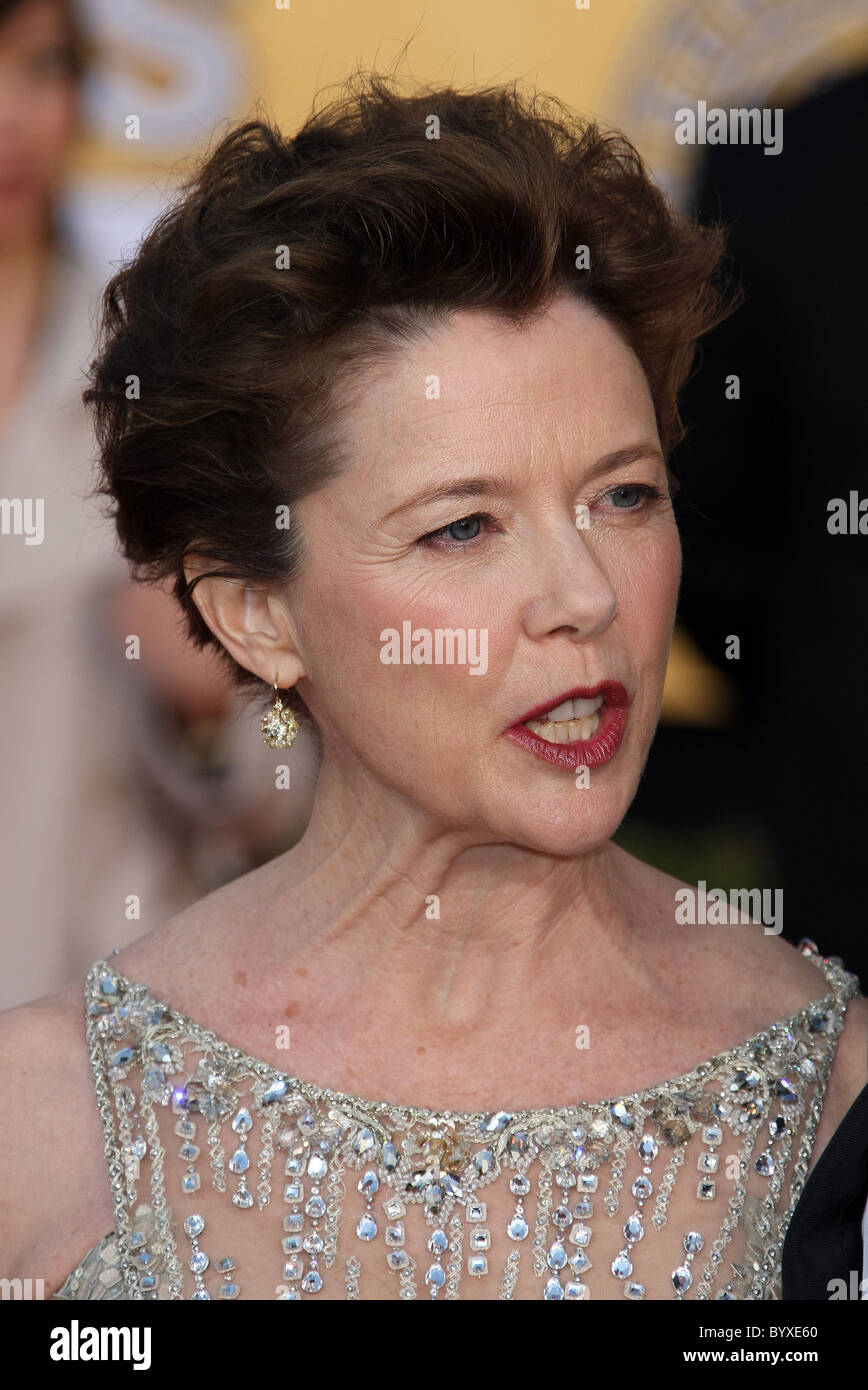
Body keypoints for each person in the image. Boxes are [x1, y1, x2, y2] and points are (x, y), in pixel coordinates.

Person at [1, 73, 866, 1302]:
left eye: (622, 495)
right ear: (257, 610)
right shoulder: (36, 1123)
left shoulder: (840, 1104)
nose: (584, 594)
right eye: (463, 527)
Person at [0, 0, 313, 1011]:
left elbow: (291, 772)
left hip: (96, 1050)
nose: (12, 116)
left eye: (42, 69)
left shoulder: (159, 390)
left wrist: (217, 707)